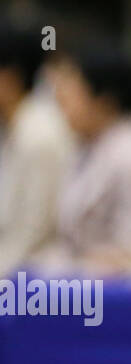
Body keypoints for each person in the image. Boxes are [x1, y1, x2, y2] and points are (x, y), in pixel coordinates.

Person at [39, 42, 131, 274]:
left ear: (105, 99)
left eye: (72, 89)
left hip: (117, 295)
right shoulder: (84, 147)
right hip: (79, 282)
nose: (61, 99)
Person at [0, 20, 73, 273]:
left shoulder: (40, 133)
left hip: (35, 281)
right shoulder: (12, 129)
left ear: (10, 77)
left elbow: (33, 233)